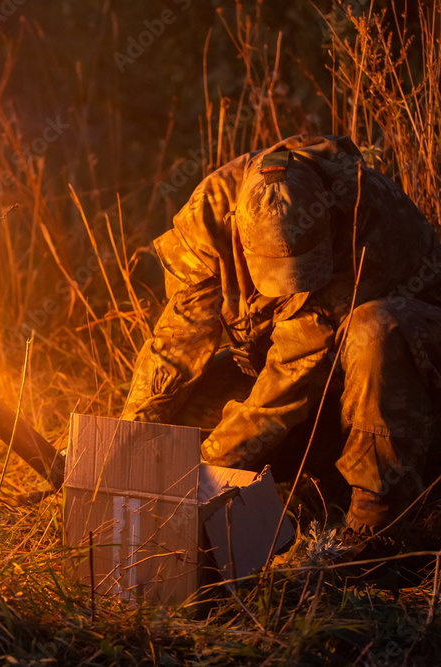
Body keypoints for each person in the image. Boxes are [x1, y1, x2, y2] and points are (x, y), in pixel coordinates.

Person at [121, 134, 441, 545]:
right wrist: (127, 444)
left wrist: (199, 475)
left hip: (409, 396)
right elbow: (175, 346)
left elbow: (292, 377)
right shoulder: (209, 215)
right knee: (181, 415)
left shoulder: (365, 211)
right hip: (318, 382)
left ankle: (376, 528)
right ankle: (286, 495)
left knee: (376, 326)